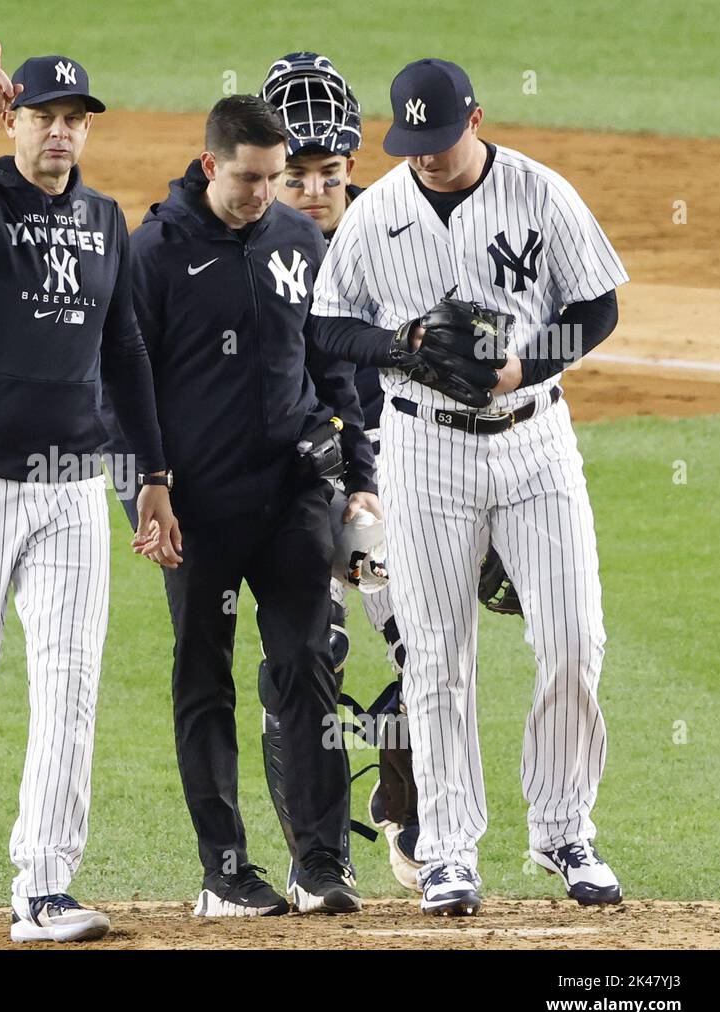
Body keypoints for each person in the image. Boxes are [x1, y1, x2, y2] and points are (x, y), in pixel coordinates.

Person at [311, 58, 627, 915]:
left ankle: (565, 829)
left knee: (573, 637)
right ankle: (447, 848)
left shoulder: (538, 193)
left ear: (476, 121)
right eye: (411, 146)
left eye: (441, 143)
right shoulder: (376, 215)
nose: (426, 159)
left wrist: (522, 366)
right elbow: (329, 322)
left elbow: (598, 305)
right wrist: (401, 345)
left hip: (535, 440)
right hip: (425, 451)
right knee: (438, 655)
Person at [0, 43, 177, 943]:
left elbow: (127, 353)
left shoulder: (105, 220)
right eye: (45, 116)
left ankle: (46, 885)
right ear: (16, 120)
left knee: (71, 683)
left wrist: (151, 477)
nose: (61, 131)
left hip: (73, 487)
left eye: (76, 119)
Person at [105, 94, 379, 917]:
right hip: (198, 509)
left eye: (275, 177)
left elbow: (330, 365)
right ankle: (225, 867)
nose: (267, 194)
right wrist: (142, 494)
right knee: (204, 677)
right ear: (208, 165)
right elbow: (119, 385)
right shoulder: (152, 253)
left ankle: (321, 862)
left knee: (305, 663)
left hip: (292, 494)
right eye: (250, 178)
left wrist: (357, 471)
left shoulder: (298, 239)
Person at [258, 51, 422, 893]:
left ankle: (405, 804)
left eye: (329, 172)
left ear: (352, 164)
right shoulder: (241, 246)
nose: (315, 190)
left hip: (388, 473)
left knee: (426, 650)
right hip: (289, 486)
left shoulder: (395, 232)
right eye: (297, 174)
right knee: (303, 661)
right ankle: (317, 856)